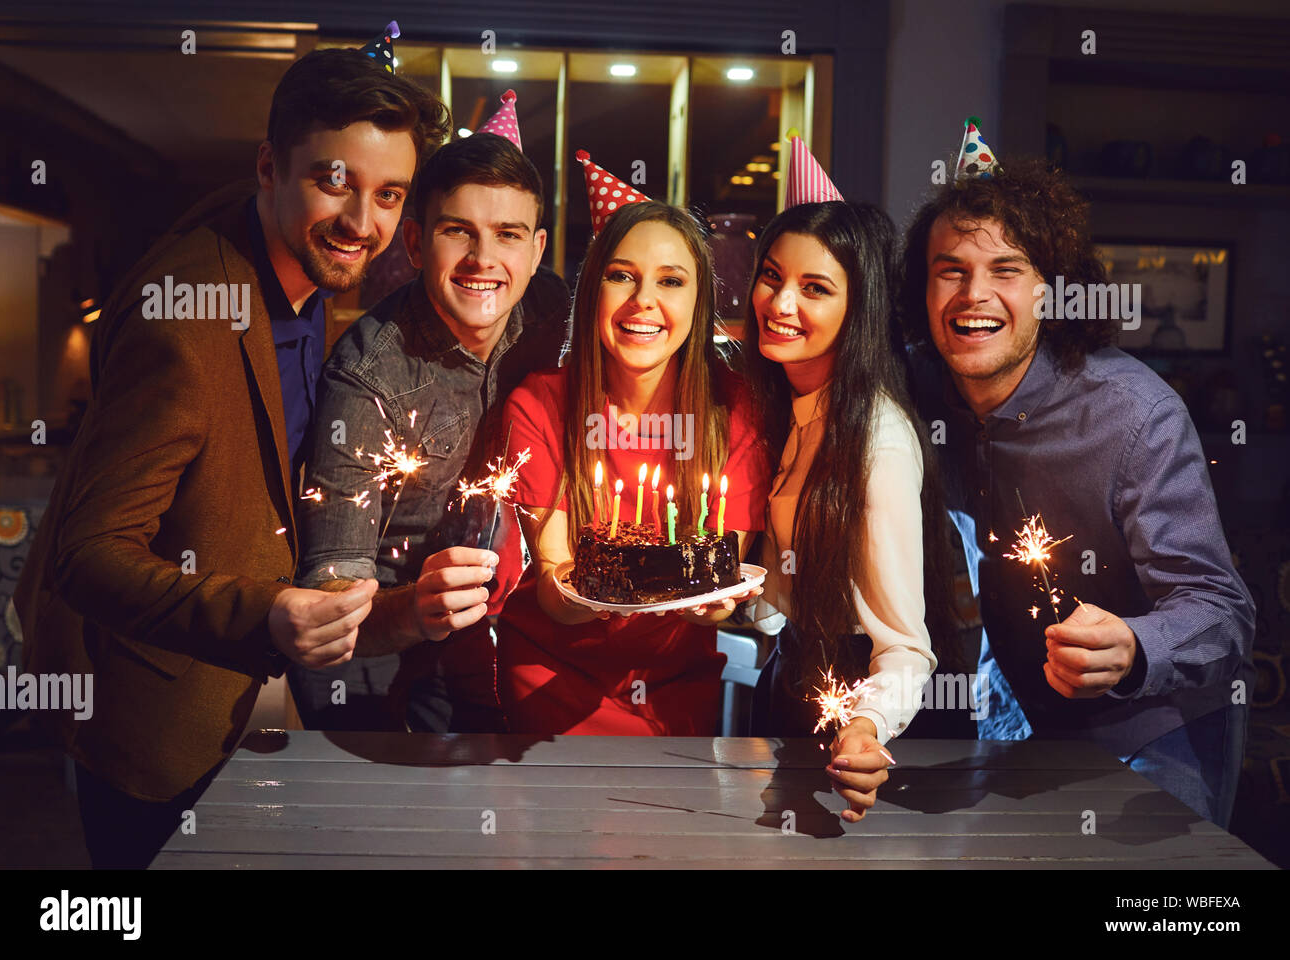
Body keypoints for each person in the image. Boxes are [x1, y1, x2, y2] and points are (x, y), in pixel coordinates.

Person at [11, 37, 450, 867]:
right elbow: (87, 555)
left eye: (388, 193)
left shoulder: (307, 272)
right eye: (334, 181)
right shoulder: (185, 314)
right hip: (155, 725)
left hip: (252, 703)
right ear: (268, 167)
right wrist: (267, 614)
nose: (364, 223)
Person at [901, 131, 1255, 828]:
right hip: (1010, 711)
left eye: (1006, 269)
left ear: (1051, 290)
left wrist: (1134, 644)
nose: (975, 295)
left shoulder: (1135, 415)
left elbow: (1223, 609)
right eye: (951, 270)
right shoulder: (915, 385)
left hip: (1153, 728)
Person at [287, 110, 570, 733]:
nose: (484, 259)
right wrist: (415, 611)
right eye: (458, 231)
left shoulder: (556, 314)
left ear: (537, 248)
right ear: (415, 242)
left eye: (509, 234)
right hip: (388, 680)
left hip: (532, 653)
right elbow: (333, 595)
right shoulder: (368, 376)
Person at [494, 153, 771, 735]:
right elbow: (553, 583)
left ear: (699, 302)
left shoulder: (735, 409)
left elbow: (717, 580)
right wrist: (585, 593)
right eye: (622, 276)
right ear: (593, 290)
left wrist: (715, 602)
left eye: (671, 281)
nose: (644, 300)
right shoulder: (540, 403)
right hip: (552, 679)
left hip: (674, 688)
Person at [741, 136, 956, 822]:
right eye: (772, 276)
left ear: (857, 309)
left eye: (815, 289)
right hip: (782, 697)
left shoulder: (877, 442)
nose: (780, 303)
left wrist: (863, 730)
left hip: (852, 730)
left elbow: (905, 646)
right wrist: (731, 598)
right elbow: (782, 593)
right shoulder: (778, 406)